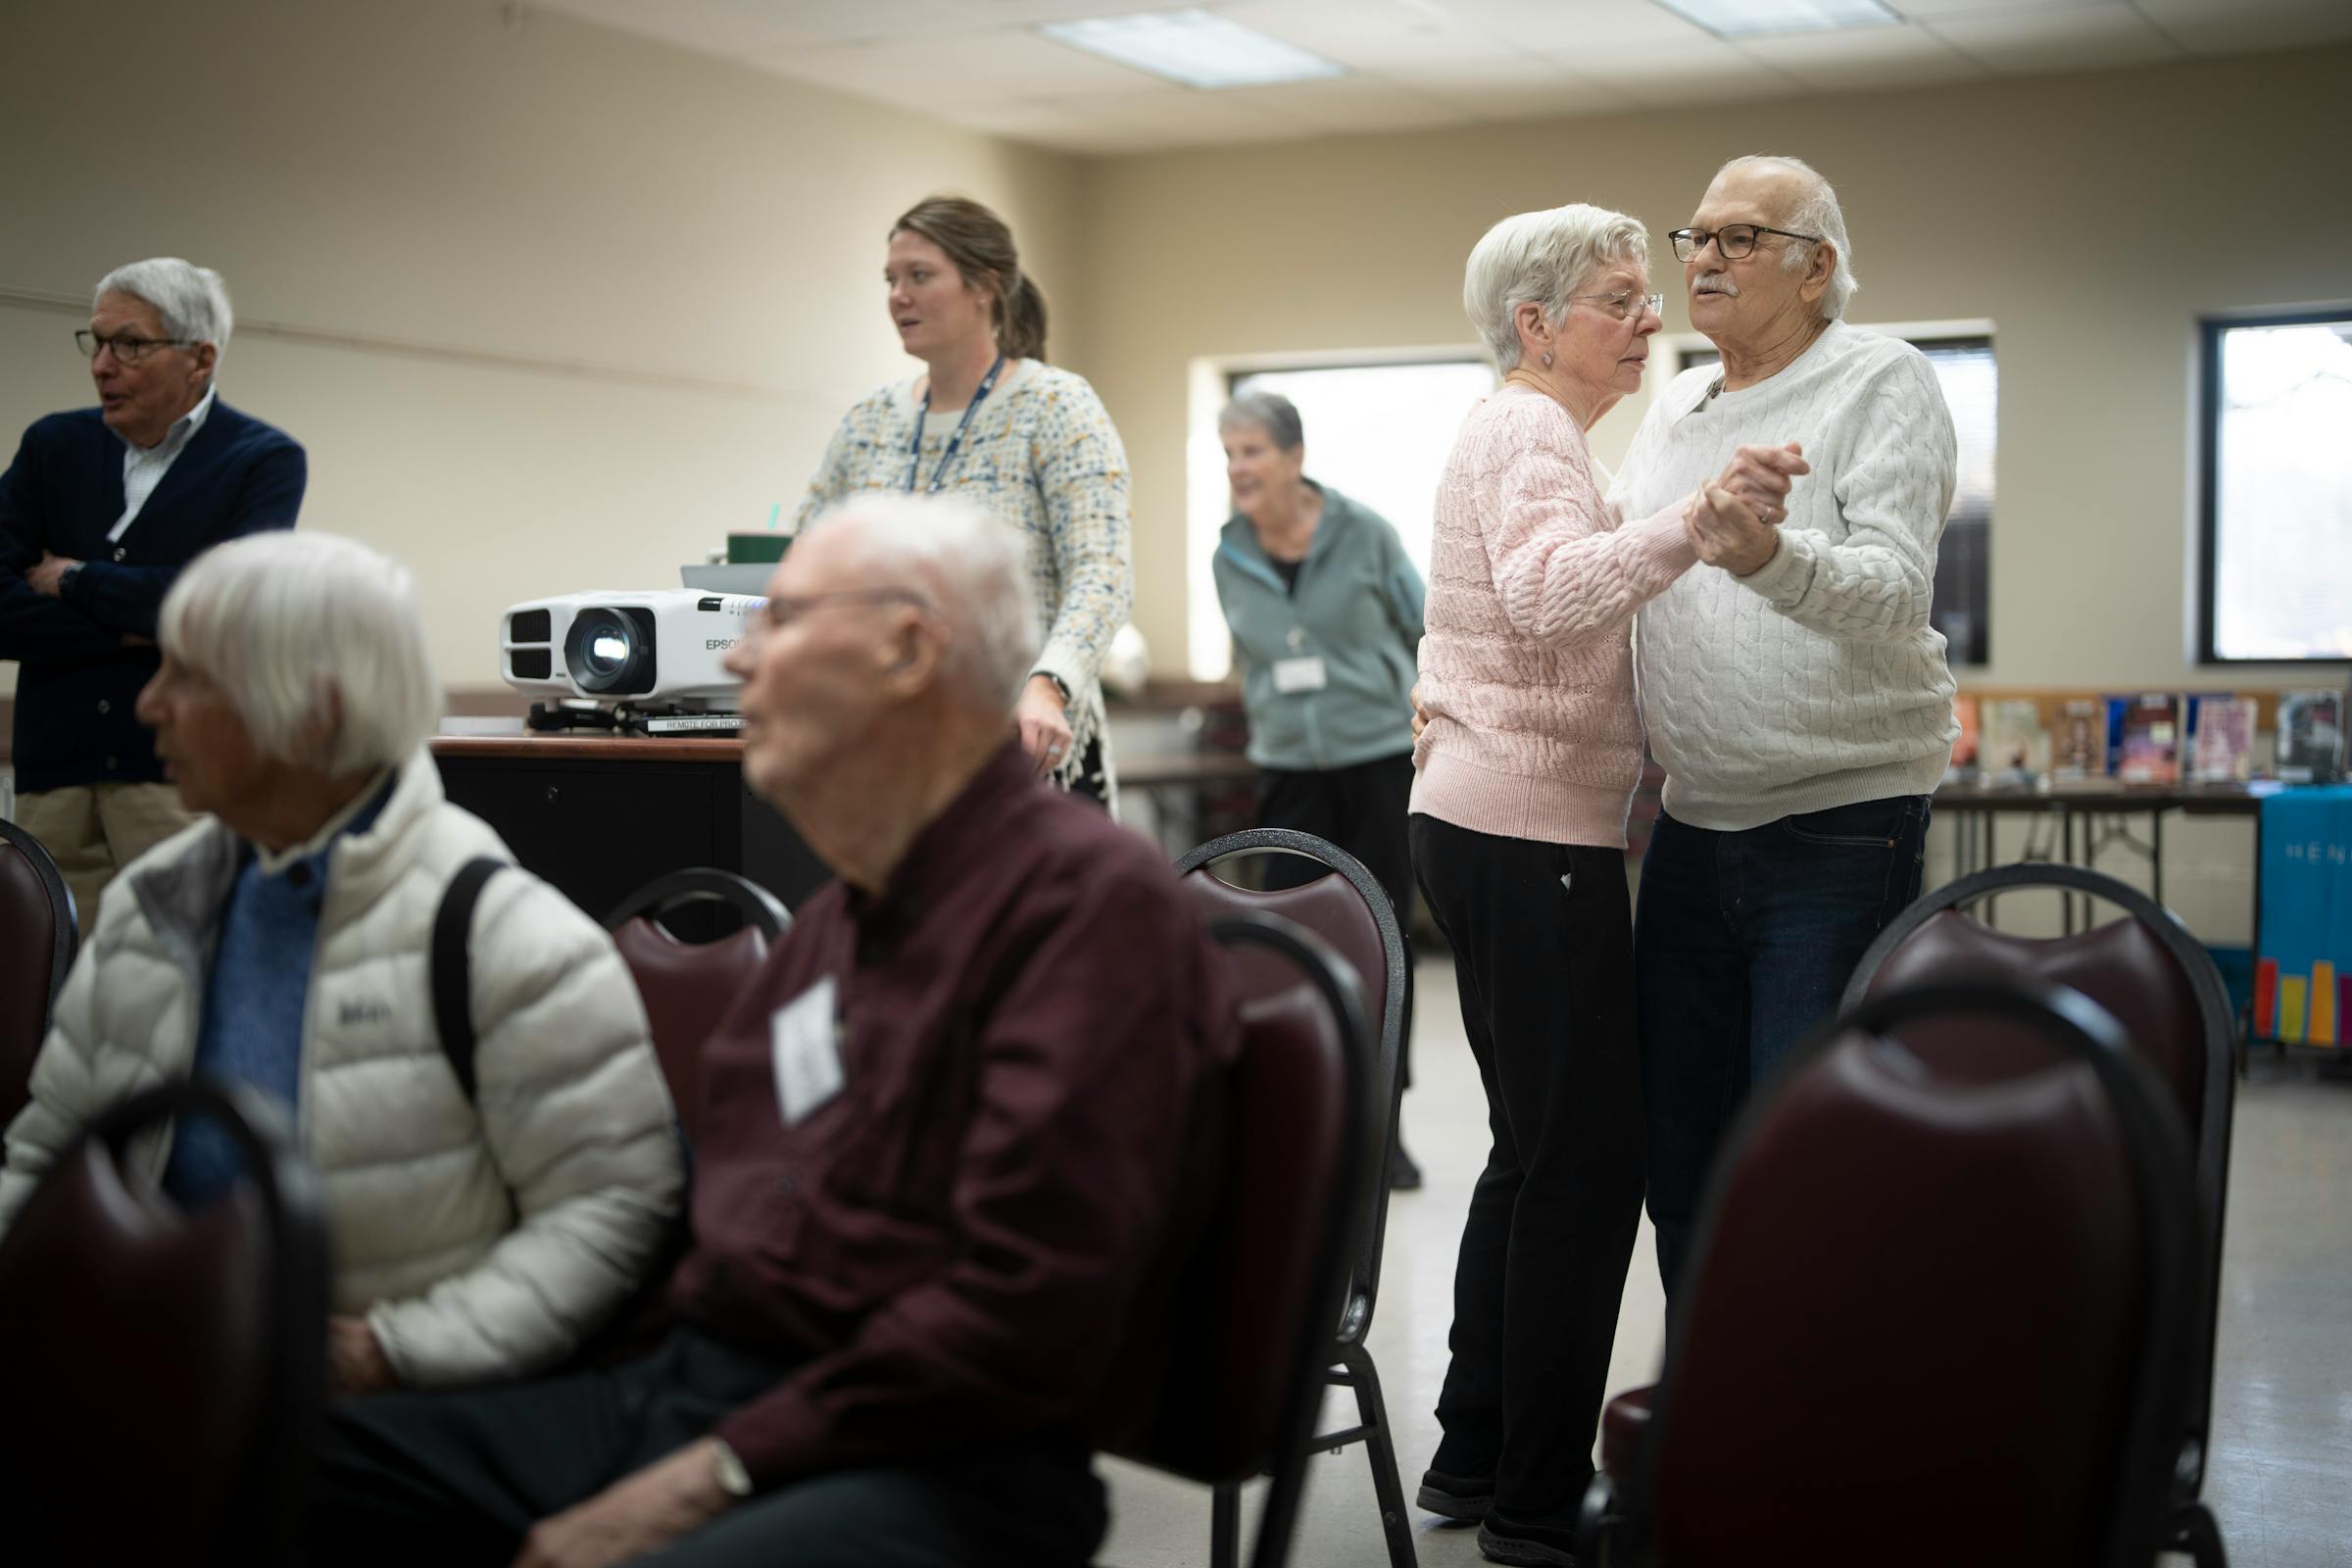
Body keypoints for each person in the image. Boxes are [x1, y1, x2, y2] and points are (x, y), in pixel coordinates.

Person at [307, 493, 1240, 1568]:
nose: (741, 659)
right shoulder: (839, 920)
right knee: (279, 1460)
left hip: (935, 1452)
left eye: (780, 619)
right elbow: (724, 1219)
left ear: (905, 648)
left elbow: (1025, 1311)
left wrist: (715, 1470)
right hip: (703, 1388)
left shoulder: (1084, 906)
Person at [0, 532, 684, 1393]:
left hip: (369, 1424)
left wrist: (396, 1350)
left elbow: (612, 1212)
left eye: (189, 677)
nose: (150, 705)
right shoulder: (157, 905)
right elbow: (45, 1159)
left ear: (313, 710)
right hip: (146, 1383)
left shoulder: (503, 936)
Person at [1409, 204, 1799, 1567]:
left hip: (1487, 822)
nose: (1652, 322)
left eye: (1647, 299)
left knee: (1532, 1158)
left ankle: (1473, 1457)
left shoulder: (1527, 433)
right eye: (1621, 301)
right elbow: (1547, 595)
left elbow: (1500, 607)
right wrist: (1696, 523)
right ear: (1537, 324)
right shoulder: (1527, 429)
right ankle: (1531, 1503)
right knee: (1587, 1170)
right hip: (1527, 838)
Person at [1610, 154, 1957, 1302]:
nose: (1703, 258)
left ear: (1818, 270)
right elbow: (1616, 570)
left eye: (1739, 238)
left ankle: (1808, 1437)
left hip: (1841, 824)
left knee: (1802, 1151)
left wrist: (1768, 557)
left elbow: (1894, 588)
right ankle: (1712, 1418)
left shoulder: (1879, 381)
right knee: (1684, 1157)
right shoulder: (1673, 407)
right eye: (1695, 236)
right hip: (1694, 824)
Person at [796, 194, 1134, 807]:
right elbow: (805, 565)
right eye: (891, 280)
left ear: (985, 286)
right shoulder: (868, 421)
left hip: (1024, 755)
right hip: (886, 754)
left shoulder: (1057, 407)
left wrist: (1049, 685)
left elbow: (1102, 573)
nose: (899, 295)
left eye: (920, 276)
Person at [0, 258, 305, 927]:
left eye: (129, 344)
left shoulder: (262, 460)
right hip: (55, 777)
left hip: (182, 780)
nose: (101, 365)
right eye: (96, 341)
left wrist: (76, 579)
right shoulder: (53, 448)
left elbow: (232, 613)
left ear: (199, 359)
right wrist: (147, 619)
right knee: (51, 991)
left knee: (182, 989)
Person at [1211, 389, 1428, 1187]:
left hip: (1375, 765)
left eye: (1252, 451)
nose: (1238, 467)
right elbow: (1253, 657)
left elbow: (1425, 625)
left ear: (1294, 456)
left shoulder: (1365, 533)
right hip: (1289, 775)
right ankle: (1301, 1120)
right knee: (1288, 944)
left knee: (1381, 939)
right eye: (1229, 452)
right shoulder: (1227, 552)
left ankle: (1385, 1129)